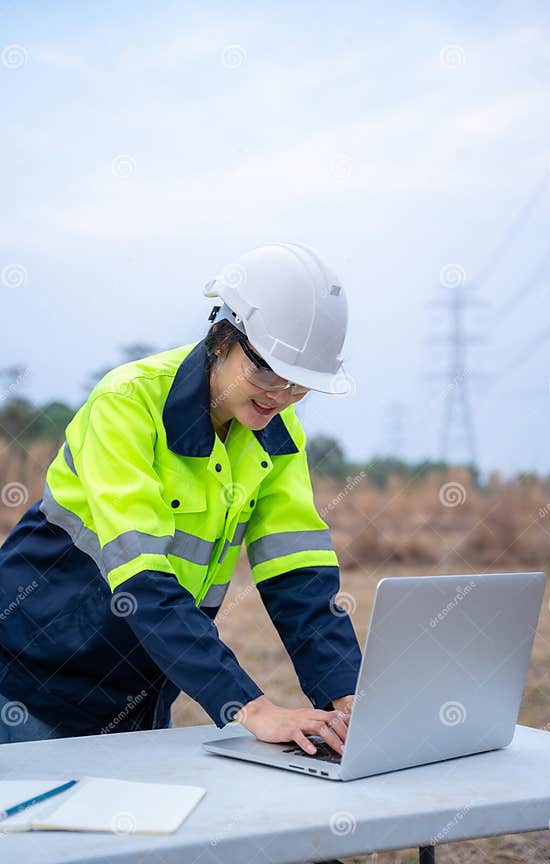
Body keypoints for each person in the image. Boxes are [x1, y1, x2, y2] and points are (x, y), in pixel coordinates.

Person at [0, 242, 362, 756]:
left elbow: (298, 578)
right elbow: (143, 583)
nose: (279, 395)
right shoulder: (126, 405)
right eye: (265, 370)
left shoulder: (277, 432)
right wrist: (249, 708)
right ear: (221, 338)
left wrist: (347, 697)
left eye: (300, 384)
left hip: (141, 694)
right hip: (28, 690)